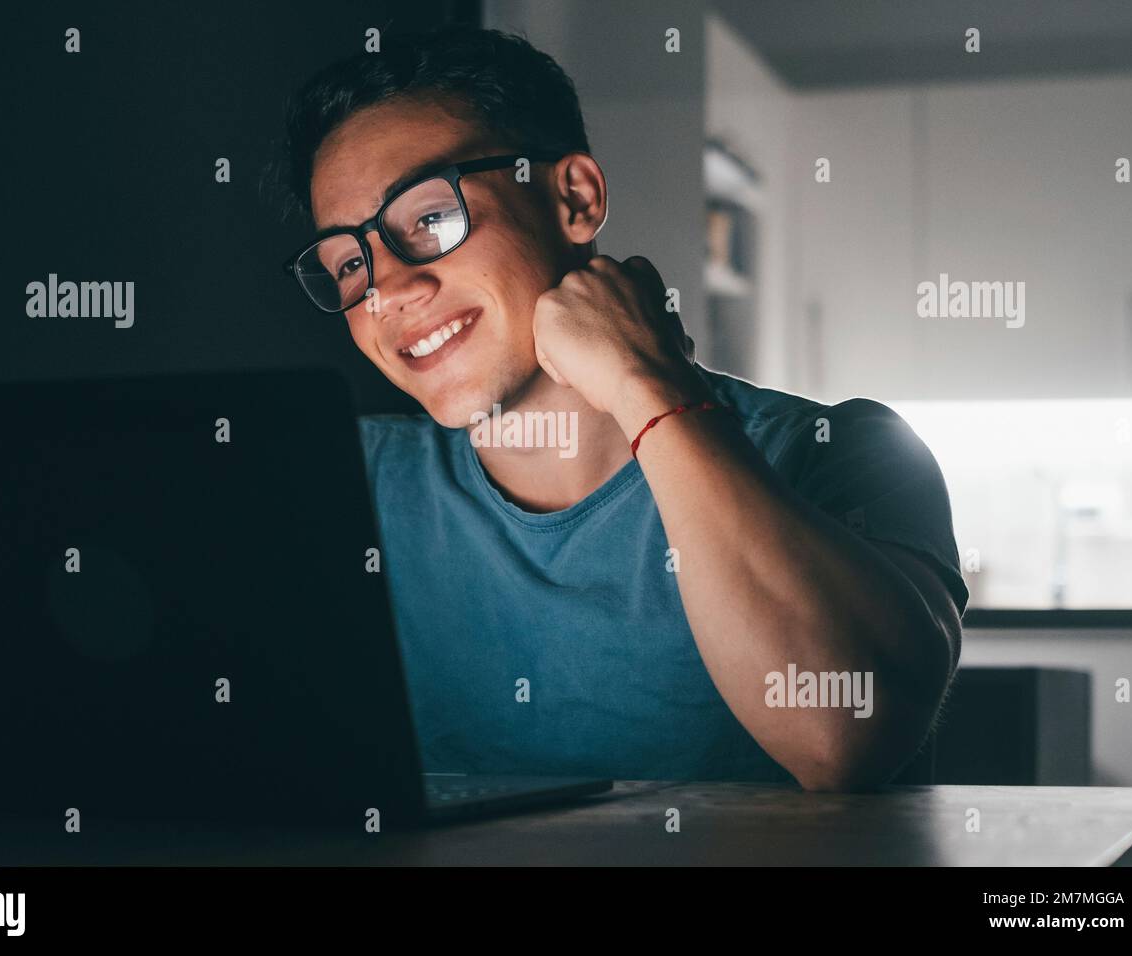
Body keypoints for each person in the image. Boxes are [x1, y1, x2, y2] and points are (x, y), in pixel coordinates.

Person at [274, 27, 967, 790]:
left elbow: (844, 735)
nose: (390, 290)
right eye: (348, 262)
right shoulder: (342, 484)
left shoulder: (849, 452)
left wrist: (649, 386)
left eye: (431, 218)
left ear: (574, 196)